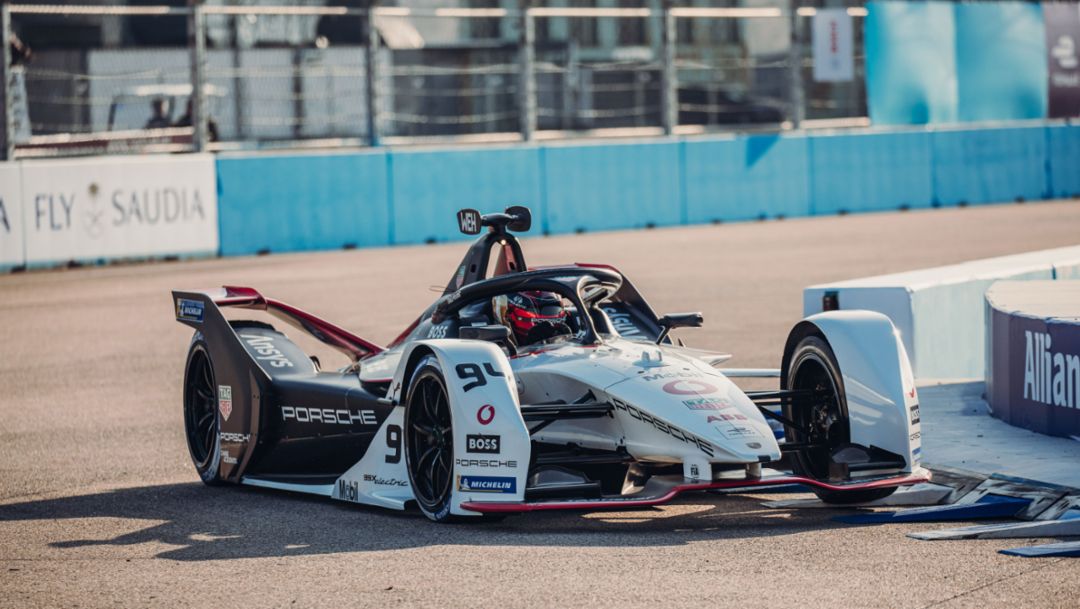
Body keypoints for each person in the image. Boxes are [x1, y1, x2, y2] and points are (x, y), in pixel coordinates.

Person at [494, 291, 572, 347]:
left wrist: (569, 340)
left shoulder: (570, 321)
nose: (551, 325)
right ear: (508, 316)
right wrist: (532, 345)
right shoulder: (494, 350)